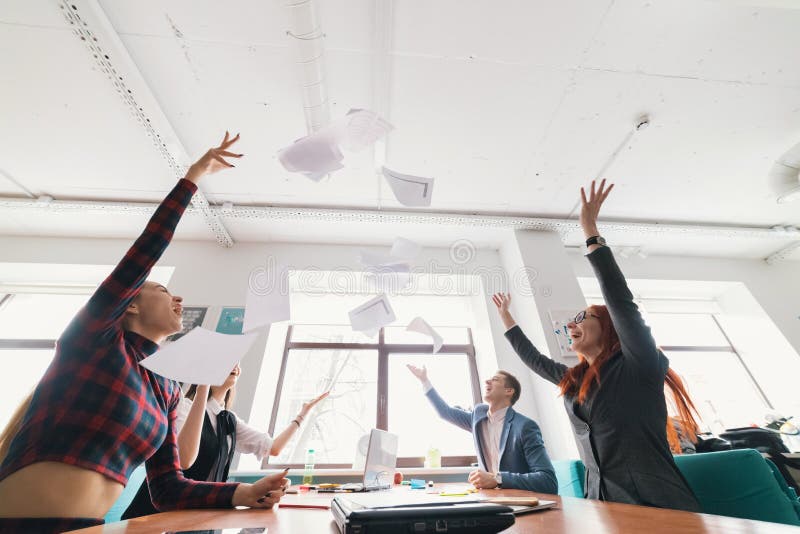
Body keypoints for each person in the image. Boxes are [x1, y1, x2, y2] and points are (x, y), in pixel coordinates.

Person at [0, 133, 289, 532]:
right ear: (129, 304)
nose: (179, 297)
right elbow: (146, 249)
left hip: (90, 527)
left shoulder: (167, 387)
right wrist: (193, 176)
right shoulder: (95, 339)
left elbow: (168, 488)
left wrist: (241, 494)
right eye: (163, 289)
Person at [492, 179, 700, 511]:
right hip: (601, 504)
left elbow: (620, 301)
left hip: (658, 505)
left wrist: (590, 231)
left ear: (610, 329)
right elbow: (532, 358)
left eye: (583, 316)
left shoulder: (639, 365)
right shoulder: (573, 379)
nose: (572, 324)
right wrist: (505, 316)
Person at [123, 364, 329, 519]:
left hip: (200, 512)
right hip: (155, 515)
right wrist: (203, 387)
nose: (235, 366)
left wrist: (303, 414)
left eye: (237, 362)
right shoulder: (183, 407)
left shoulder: (228, 420)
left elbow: (273, 448)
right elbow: (184, 459)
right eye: (228, 361)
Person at [407, 365, 557, 493]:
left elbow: (548, 481)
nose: (487, 381)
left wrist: (497, 479)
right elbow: (445, 412)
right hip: (490, 499)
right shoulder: (477, 418)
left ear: (509, 391)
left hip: (521, 504)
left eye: (495, 379)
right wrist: (424, 381)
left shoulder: (525, 426)